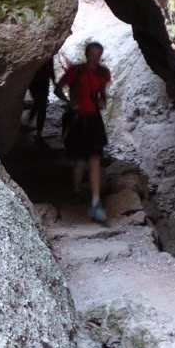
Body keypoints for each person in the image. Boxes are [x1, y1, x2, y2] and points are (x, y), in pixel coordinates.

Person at [58, 41, 111, 223]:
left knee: (95, 158)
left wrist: (102, 100)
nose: (95, 58)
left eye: (98, 55)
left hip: (94, 118)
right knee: (80, 159)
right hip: (78, 119)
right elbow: (59, 88)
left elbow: (102, 93)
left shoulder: (103, 73)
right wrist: (70, 102)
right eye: (92, 54)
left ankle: (95, 201)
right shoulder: (76, 71)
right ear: (87, 54)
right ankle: (76, 190)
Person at [26, 58, 56, 140]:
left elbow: (50, 66)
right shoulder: (48, 53)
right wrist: (54, 81)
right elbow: (50, 67)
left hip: (36, 80)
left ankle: (29, 123)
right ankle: (38, 132)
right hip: (41, 80)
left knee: (39, 103)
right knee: (41, 105)